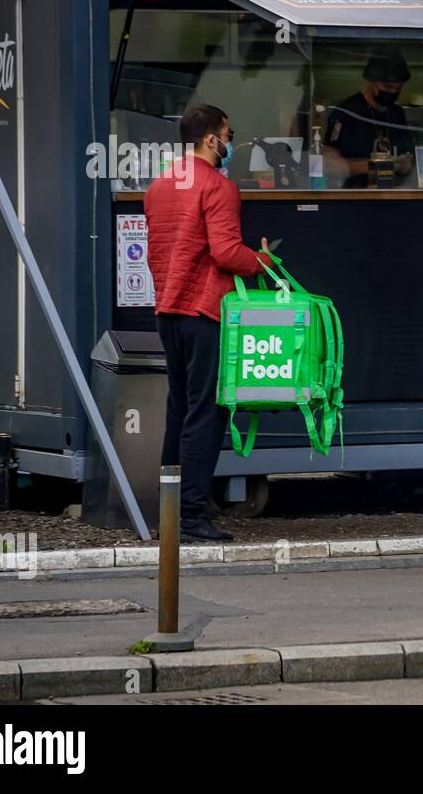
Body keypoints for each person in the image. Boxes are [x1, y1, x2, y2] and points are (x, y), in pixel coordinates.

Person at [144, 105, 272, 541]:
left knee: (179, 410)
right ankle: (193, 517)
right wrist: (263, 260)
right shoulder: (219, 186)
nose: (231, 140)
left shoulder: (160, 184)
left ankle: (168, 509)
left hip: (168, 309)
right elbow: (225, 253)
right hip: (204, 312)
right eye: (229, 132)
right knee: (207, 412)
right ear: (213, 138)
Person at [323, 51, 416, 188]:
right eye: (387, 86)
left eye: (398, 88)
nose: (393, 93)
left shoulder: (397, 113)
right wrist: (381, 166)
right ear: (371, 80)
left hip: (393, 195)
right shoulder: (348, 112)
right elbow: (329, 164)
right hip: (356, 197)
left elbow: (408, 158)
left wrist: (405, 166)